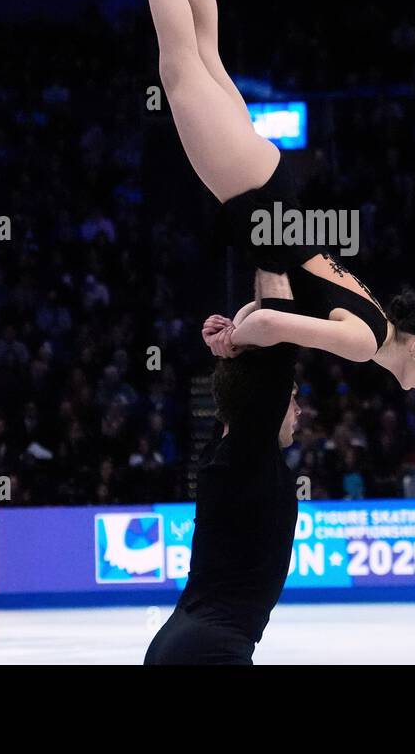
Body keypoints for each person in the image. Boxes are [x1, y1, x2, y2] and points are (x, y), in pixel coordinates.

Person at [75, 0, 415, 391]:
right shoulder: (363, 342)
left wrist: (241, 321)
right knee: (180, 69)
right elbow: (270, 321)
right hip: (254, 192)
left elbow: (286, 287)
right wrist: (239, 337)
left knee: (203, 54)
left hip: (269, 188)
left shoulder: (374, 318)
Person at [144, 270, 301, 665]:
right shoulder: (248, 455)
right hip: (209, 649)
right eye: (292, 397)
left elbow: (247, 372)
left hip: (182, 641)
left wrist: (235, 337)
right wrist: (271, 248)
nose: (298, 410)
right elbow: (277, 332)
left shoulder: (224, 451)